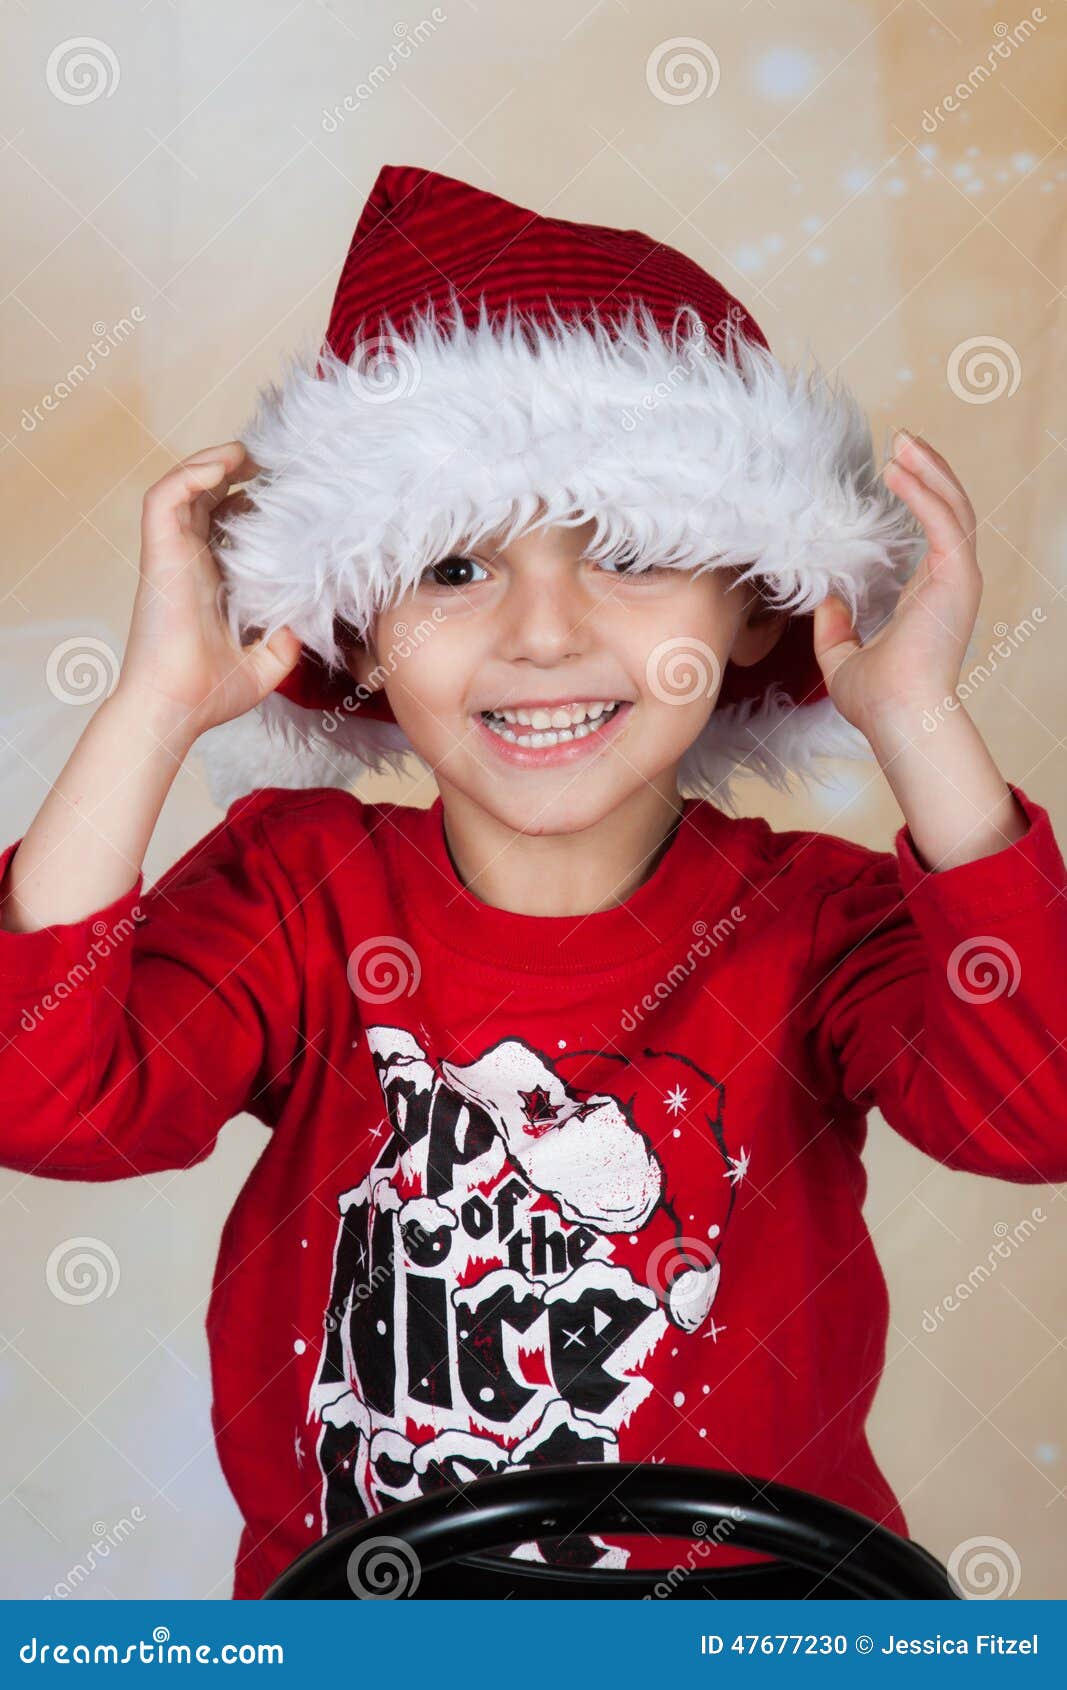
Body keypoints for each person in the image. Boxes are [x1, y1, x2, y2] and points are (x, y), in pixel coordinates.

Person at [1, 164, 1064, 1602]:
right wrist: (150, 705)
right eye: (452, 566)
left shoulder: (821, 923)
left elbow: (1037, 1108)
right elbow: (42, 1092)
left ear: (755, 599)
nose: (544, 635)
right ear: (359, 629)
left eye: (626, 554)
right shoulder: (295, 890)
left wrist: (919, 719)